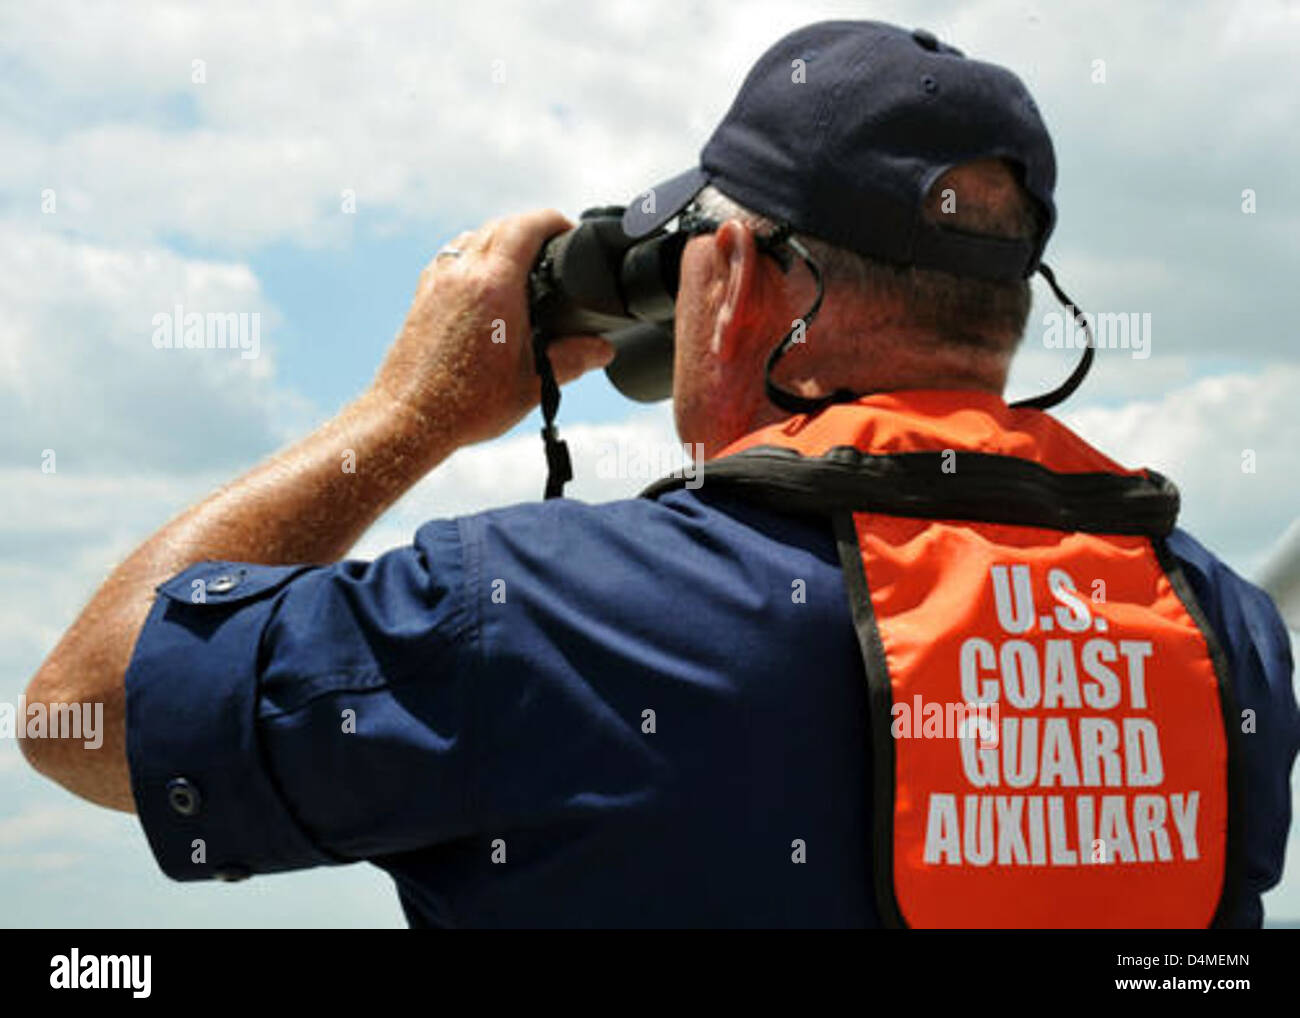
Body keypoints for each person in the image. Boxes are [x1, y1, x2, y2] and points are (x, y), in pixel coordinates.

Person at [21, 20, 1297, 927]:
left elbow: (79, 710)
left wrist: (406, 414)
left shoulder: (551, 618)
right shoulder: (1222, 627)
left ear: (731, 277)